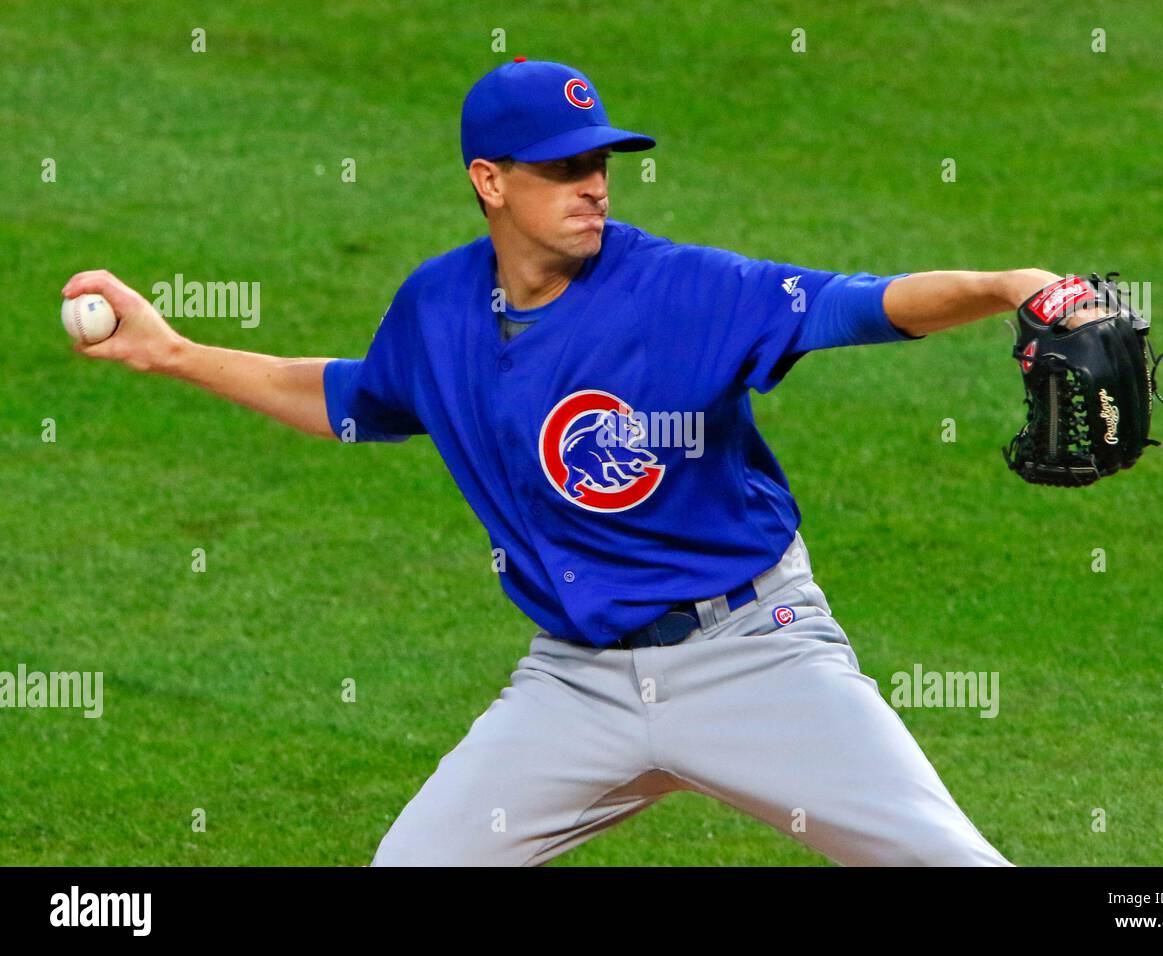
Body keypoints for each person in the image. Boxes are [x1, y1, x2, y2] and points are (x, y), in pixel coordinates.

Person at [64, 58, 1098, 866]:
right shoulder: (436, 308)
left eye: (598, 161)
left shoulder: (681, 290)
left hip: (752, 651)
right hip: (576, 685)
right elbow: (354, 400)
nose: (591, 184)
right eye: (562, 167)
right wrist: (174, 352)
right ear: (489, 181)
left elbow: (857, 304)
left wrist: (1009, 280)